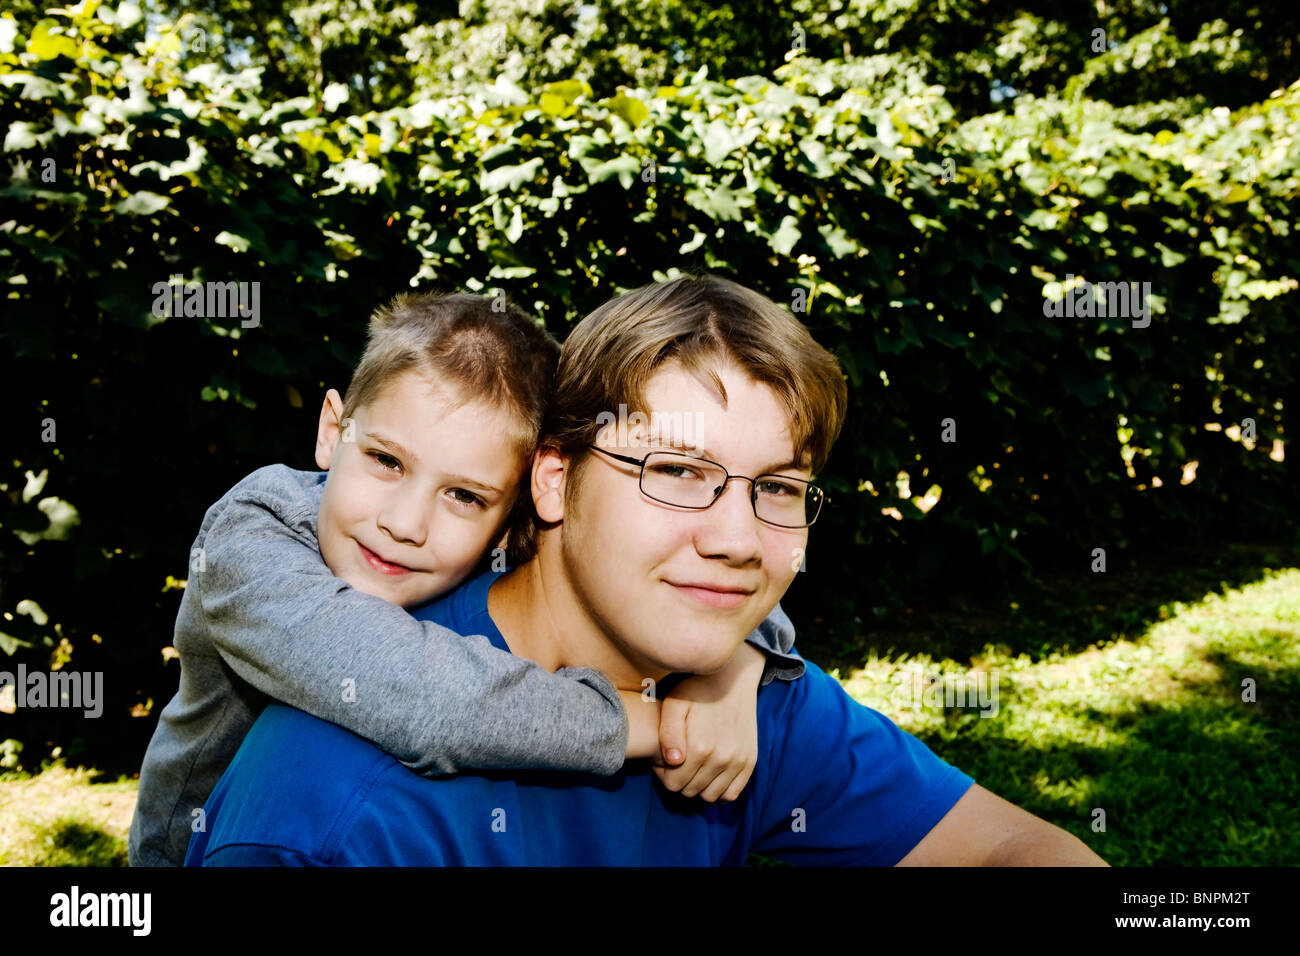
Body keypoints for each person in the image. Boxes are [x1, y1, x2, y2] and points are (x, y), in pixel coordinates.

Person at [186, 275, 1108, 866]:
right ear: (555, 480)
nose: (739, 539)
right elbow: (432, 699)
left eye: (778, 489)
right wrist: (662, 719)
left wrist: (741, 664)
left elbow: (1019, 853)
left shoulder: (751, 706)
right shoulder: (338, 804)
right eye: (677, 473)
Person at [129, 291, 803, 867]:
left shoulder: (493, 538)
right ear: (332, 430)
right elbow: (419, 692)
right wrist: (649, 724)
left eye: (465, 496)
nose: (404, 523)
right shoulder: (250, 539)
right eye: (387, 461)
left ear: (517, 509)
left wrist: (733, 671)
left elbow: (695, 577)